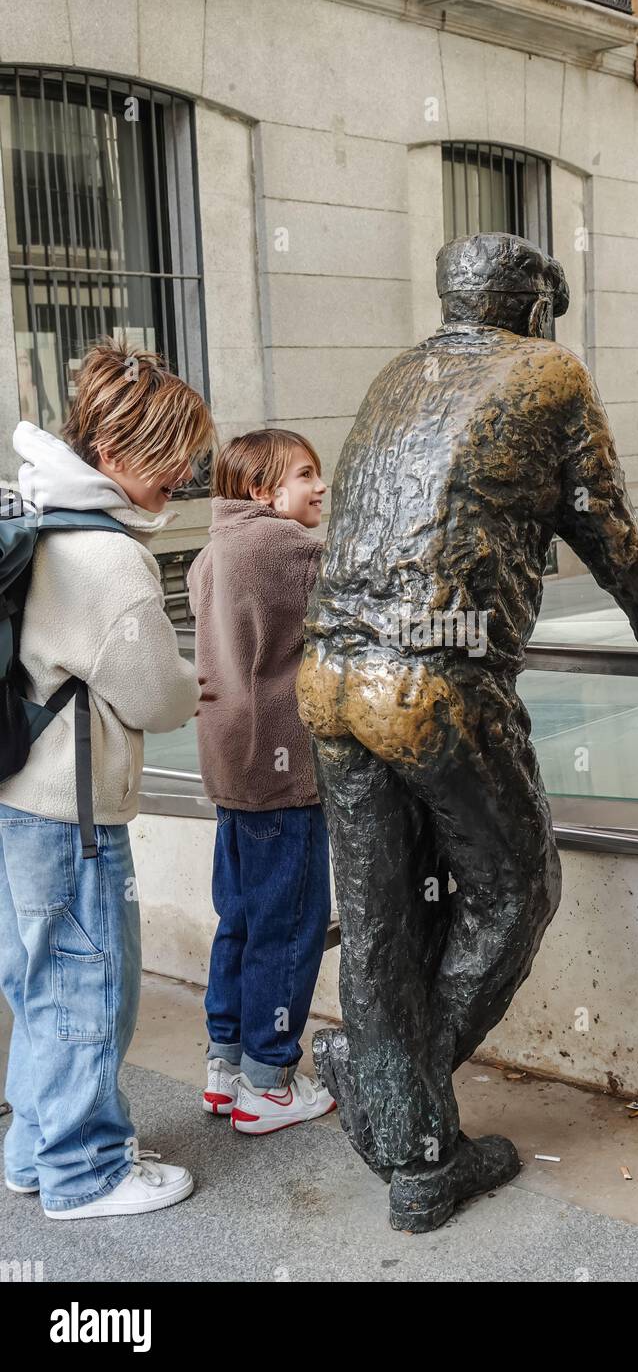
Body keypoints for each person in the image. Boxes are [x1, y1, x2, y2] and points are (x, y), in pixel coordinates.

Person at [298, 232, 638, 1232]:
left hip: (325, 672)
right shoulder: (547, 371)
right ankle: (404, 1116)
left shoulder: (399, 370)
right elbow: (603, 523)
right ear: (534, 306)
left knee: (380, 917)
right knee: (515, 891)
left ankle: (407, 1131)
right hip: (429, 681)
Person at [0, 338, 213, 1219]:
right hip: (71, 813)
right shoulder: (110, 559)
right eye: (170, 462)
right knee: (89, 984)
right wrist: (192, 687)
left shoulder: (35, 512)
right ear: (117, 457)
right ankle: (86, 1173)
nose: (184, 478)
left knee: (38, 980)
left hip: (18, 799)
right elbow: (157, 696)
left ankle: (32, 1152)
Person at [188, 430, 335, 1135]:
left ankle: (226, 1066)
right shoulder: (281, 544)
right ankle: (269, 1083)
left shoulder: (214, 549)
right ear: (262, 491)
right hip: (280, 768)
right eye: (306, 475)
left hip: (230, 767)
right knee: (292, 923)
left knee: (241, 918)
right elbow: (371, 581)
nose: (321, 487)